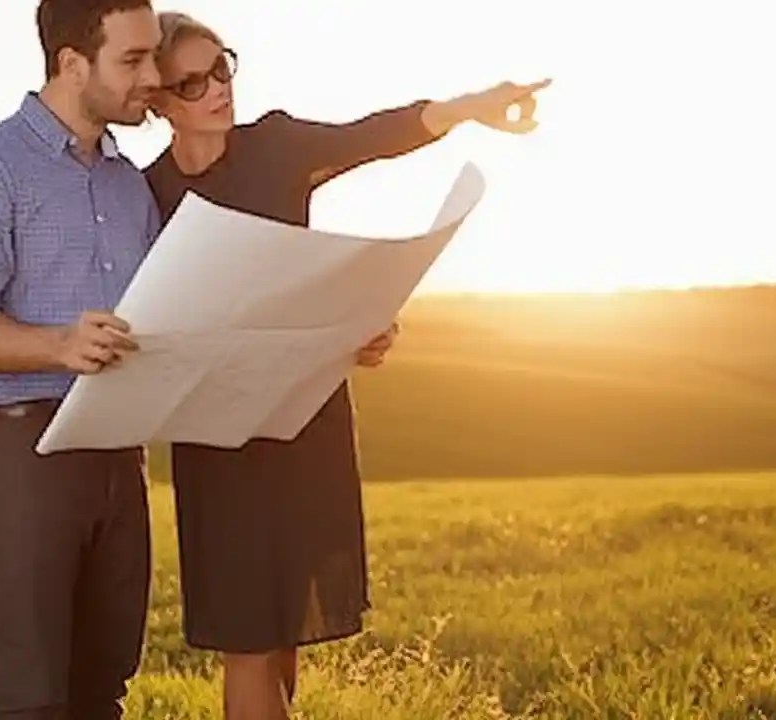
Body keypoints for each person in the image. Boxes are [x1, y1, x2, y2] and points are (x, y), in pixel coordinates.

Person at [143, 11, 551, 720]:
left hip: (306, 419)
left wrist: (471, 107)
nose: (216, 90)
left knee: (283, 629)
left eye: (223, 68)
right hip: (217, 438)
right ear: (157, 100)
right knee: (246, 635)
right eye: (192, 81)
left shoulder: (275, 144)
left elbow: (373, 135)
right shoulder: (144, 196)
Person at [0, 1, 165, 717]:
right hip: (25, 450)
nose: (151, 77)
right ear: (72, 63)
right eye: (133, 60)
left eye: (153, 56)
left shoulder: (131, 185)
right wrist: (58, 344)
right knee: (31, 696)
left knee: (104, 687)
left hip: (121, 457)